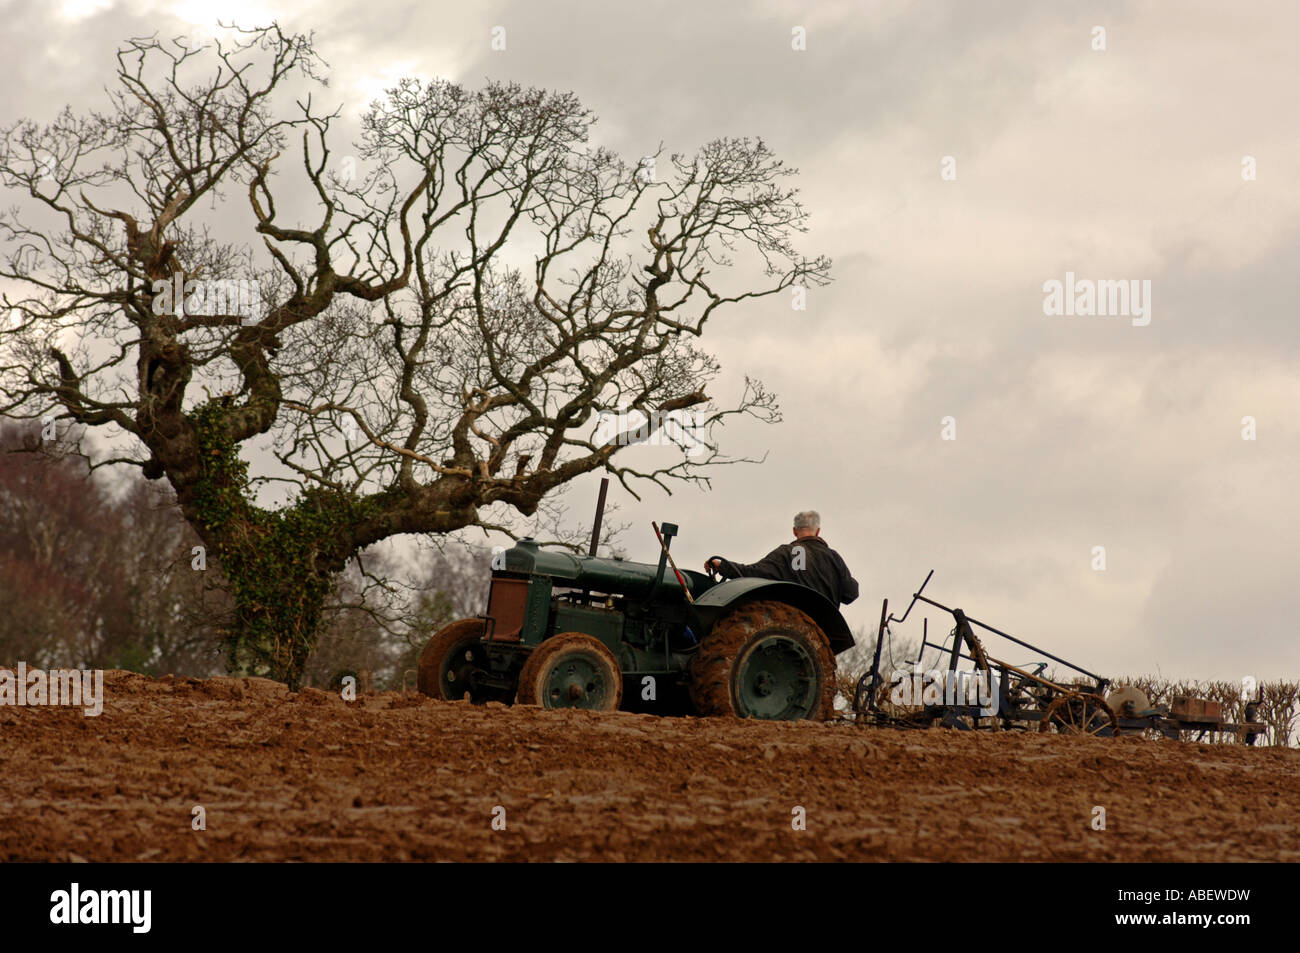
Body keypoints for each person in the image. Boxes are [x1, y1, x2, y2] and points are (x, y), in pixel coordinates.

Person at [705, 510, 859, 608]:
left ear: (794, 531)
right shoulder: (834, 557)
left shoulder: (786, 553)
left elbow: (754, 573)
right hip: (825, 630)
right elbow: (851, 594)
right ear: (818, 531)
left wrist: (722, 566)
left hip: (793, 622)